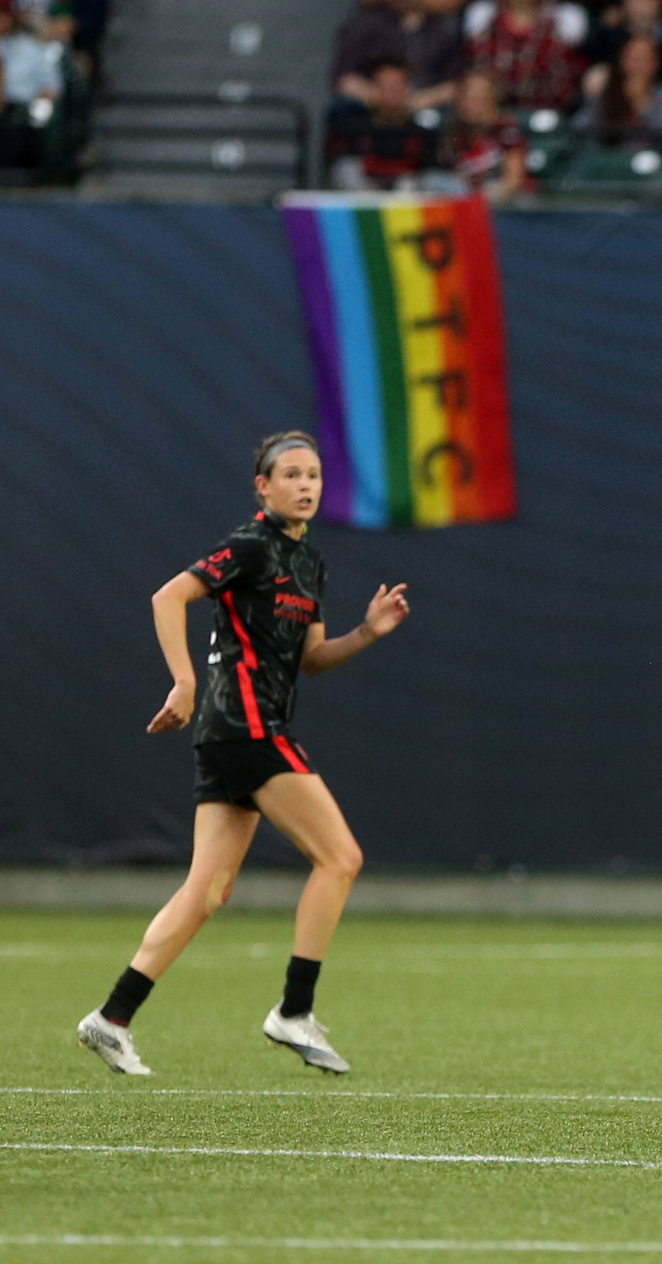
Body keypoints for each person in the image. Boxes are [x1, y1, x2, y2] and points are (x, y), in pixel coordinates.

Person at [75, 433, 411, 1078]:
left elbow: (310, 659)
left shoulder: (308, 562)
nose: (305, 484)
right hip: (244, 728)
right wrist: (184, 680)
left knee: (207, 891)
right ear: (263, 485)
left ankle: (111, 1018)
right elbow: (168, 596)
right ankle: (294, 1010)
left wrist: (366, 633)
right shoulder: (251, 545)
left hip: (240, 734)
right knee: (340, 857)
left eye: (313, 474)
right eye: (290, 474)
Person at [327, 58, 448, 190]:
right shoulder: (353, 129)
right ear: (372, 88)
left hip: (410, 198)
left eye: (396, 86)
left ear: (408, 89)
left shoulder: (423, 132)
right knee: (345, 169)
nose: (390, 92)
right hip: (364, 197)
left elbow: (431, 172)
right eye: (384, 86)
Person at [330, 0, 467, 115]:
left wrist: (424, 99)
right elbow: (343, 77)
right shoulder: (367, 24)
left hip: (423, 108)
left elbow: (455, 83)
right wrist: (376, 96)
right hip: (369, 110)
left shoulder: (445, 30)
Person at [467, 0, 588, 112]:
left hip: (547, 111)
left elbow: (570, 74)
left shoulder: (564, 22)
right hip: (491, 112)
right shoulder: (483, 20)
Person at [443, 67, 531, 198]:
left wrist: (484, 198)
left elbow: (513, 181)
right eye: (467, 96)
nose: (471, 104)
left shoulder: (506, 130)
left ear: (493, 98)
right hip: (463, 201)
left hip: (502, 206)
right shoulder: (454, 131)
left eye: (479, 97)